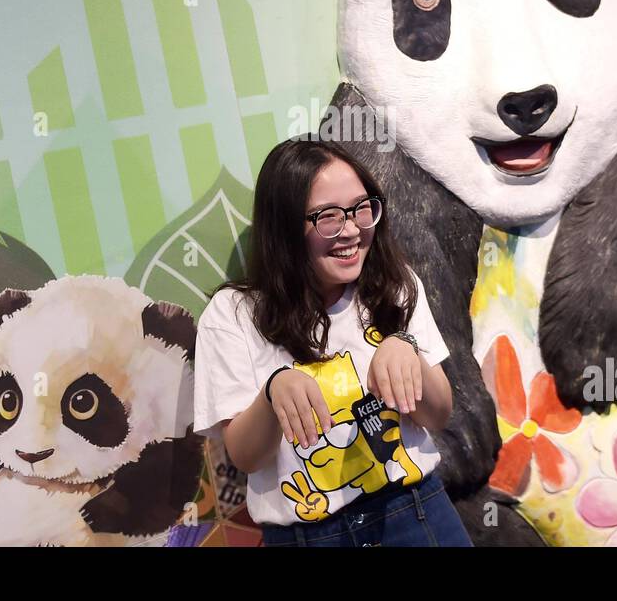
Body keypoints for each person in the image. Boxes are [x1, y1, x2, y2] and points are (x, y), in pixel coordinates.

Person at [193, 136, 474, 546]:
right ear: (286, 226)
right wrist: (272, 394)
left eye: (362, 209)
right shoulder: (233, 314)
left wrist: (406, 346)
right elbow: (245, 456)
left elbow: (438, 414)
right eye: (328, 217)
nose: (351, 231)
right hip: (308, 536)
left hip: (415, 513)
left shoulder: (395, 288)